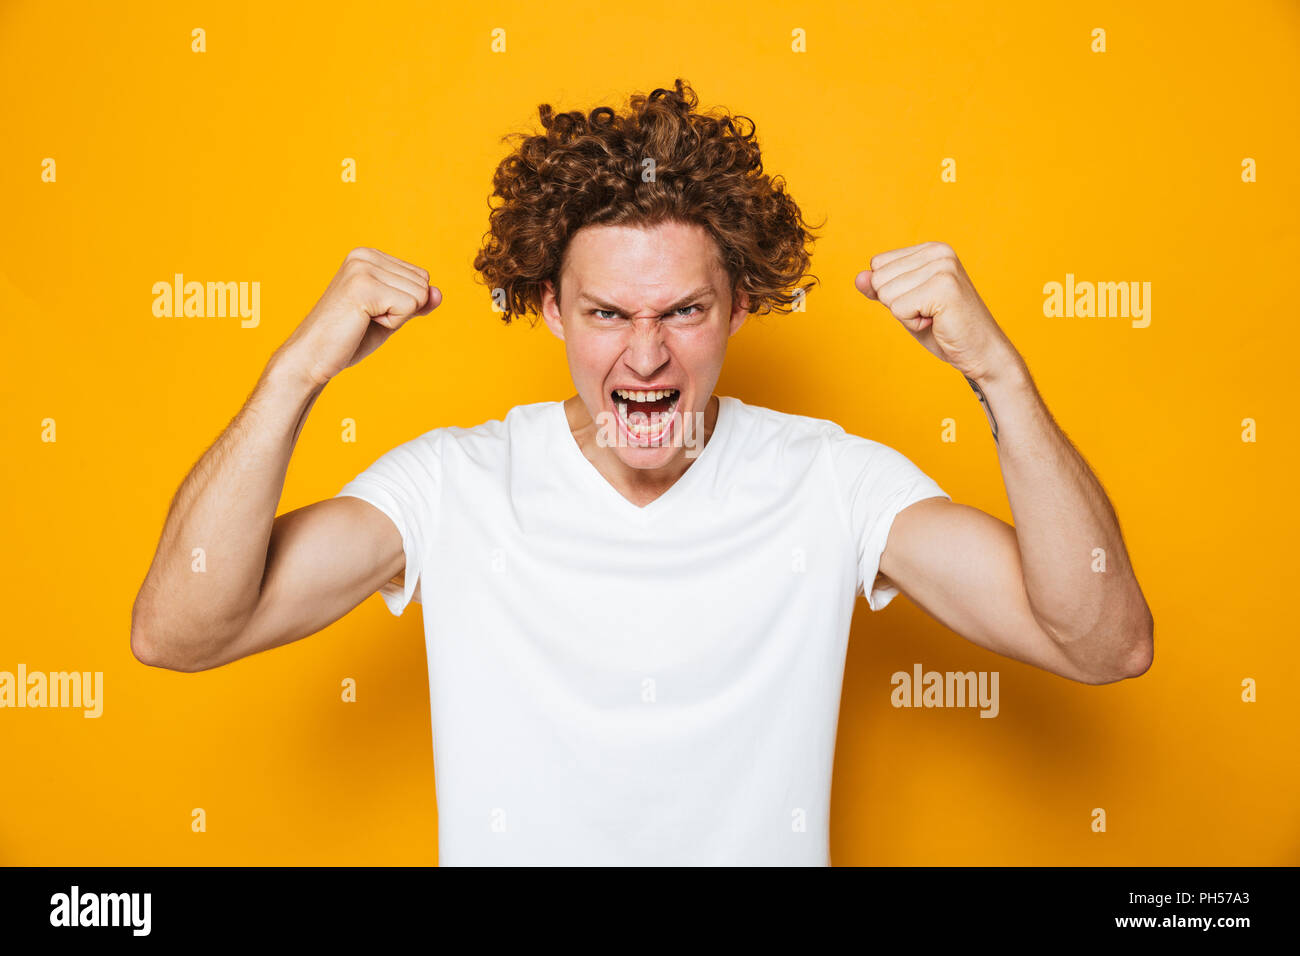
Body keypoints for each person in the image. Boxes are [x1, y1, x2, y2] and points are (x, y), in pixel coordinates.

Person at [130, 79, 1154, 866]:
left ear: (739, 308)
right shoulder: (452, 487)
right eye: (609, 313)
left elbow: (1101, 641)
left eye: (683, 312)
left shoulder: (829, 482)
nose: (646, 356)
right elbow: (180, 629)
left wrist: (998, 375)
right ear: (550, 311)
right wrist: (297, 372)